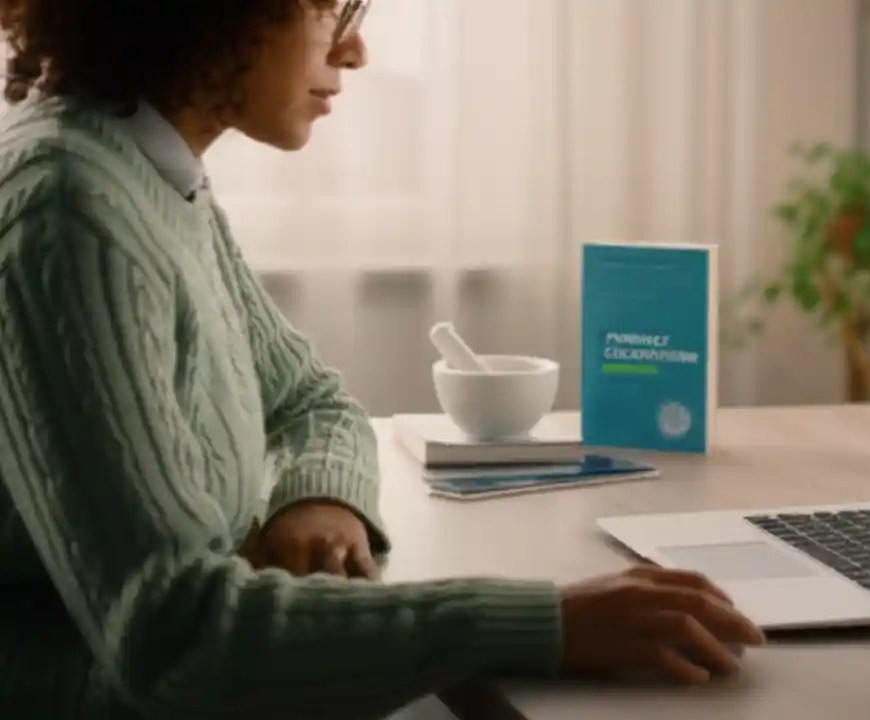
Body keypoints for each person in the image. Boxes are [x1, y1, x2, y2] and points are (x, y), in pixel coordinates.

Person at [0, 1, 764, 717]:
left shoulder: (151, 172)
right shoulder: (71, 210)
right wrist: (548, 620)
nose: (355, 49)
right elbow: (173, 636)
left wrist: (318, 498)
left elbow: (309, 399)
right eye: (330, 8)